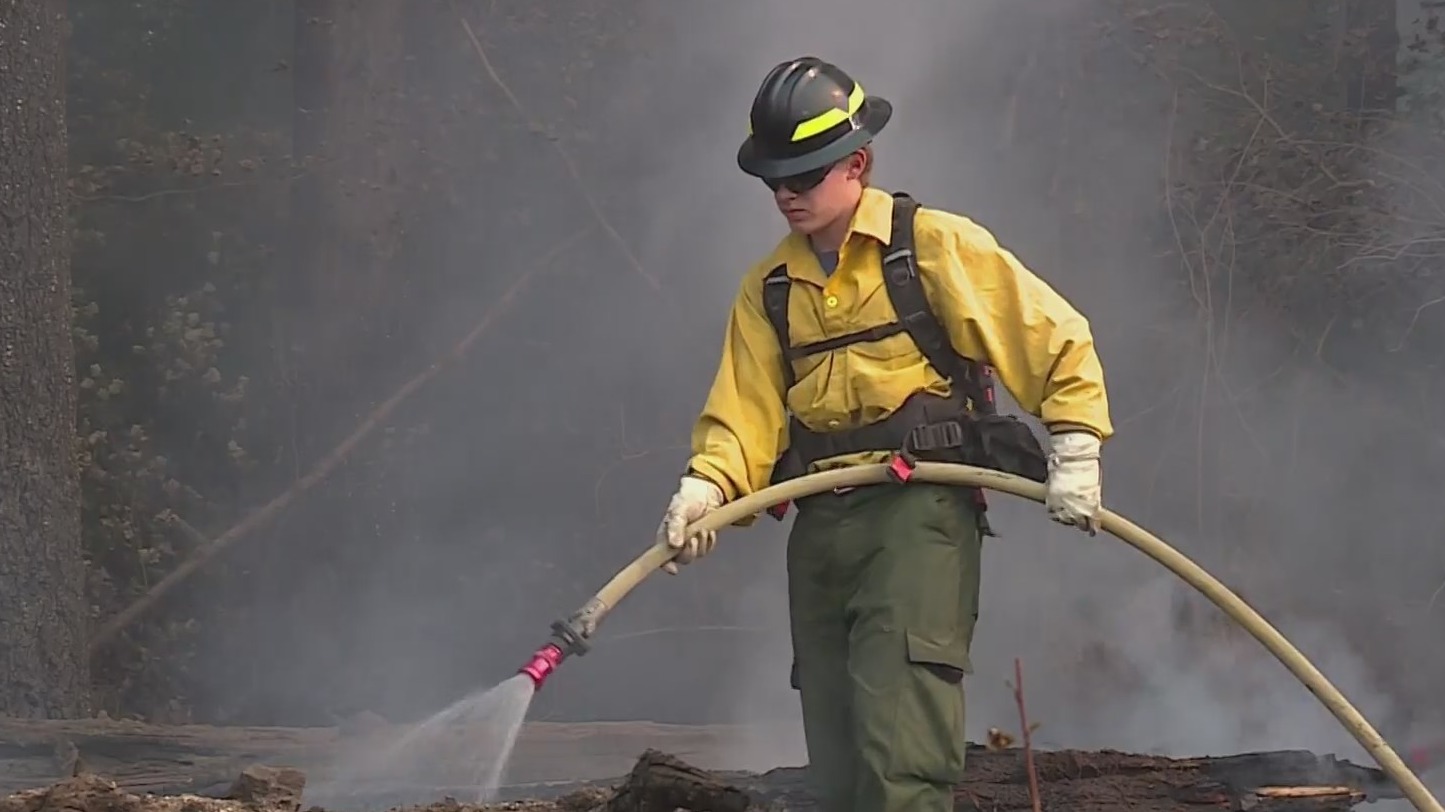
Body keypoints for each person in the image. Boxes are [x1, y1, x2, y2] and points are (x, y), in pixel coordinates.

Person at [654, 55, 1114, 812]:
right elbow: (744, 412)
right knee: (836, 762)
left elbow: (1052, 337)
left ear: (856, 163)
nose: (785, 195)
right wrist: (707, 485)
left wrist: (1074, 446)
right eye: (774, 180)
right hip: (822, 523)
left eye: (801, 177)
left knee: (899, 748)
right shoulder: (769, 288)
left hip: (917, 516)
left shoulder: (931, 246)